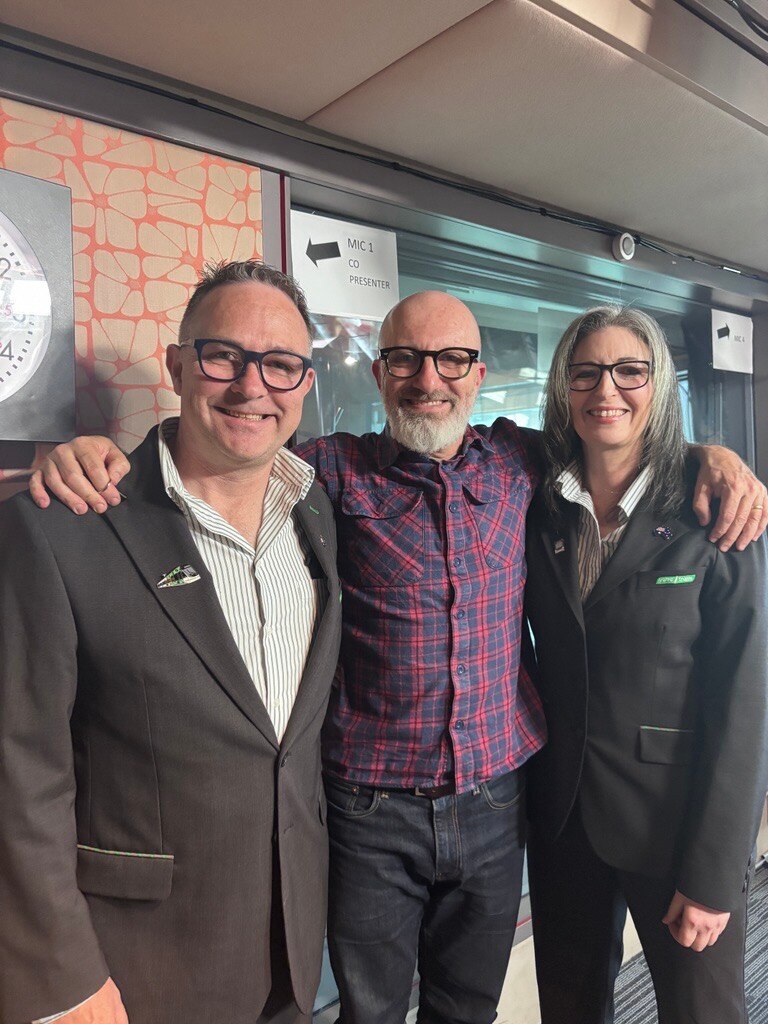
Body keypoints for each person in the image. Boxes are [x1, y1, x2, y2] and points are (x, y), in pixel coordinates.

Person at [28, 288, 767, 1024]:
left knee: (469, 1008)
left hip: (495, 804)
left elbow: (623, 439)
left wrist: (710, 458)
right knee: (372, 1010)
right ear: (378, 375)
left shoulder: (521, 464)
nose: (429, 378)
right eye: (406, 359)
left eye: (452, 360)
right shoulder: (326, 475)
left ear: (479, 376)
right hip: (369, 815)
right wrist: (94, 456)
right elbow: (226, 449)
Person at [0, 262, 342, 1024]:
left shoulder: (317, 515)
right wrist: (62, 983)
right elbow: (19, 775)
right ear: (178, 364)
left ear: (305, 383)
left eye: (281, 365)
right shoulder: (65, 524)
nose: (252, 387)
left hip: (290, 948)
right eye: (224, 356)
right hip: (136, 968)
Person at [523, 306, 768, 1024]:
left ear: (659, 386)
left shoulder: (716, 515)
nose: (608, 389)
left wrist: (718, 872)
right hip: (565, 820)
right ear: (564, 389)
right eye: (588, 371)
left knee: (702, 1014)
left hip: (678, 824)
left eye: (631, 371)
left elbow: (746, 705)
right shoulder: (540, 506)